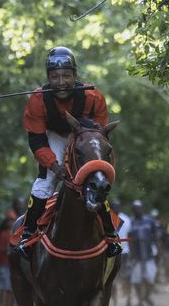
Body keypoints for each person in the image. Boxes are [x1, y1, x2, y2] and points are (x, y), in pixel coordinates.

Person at [15, 46, 120, 258]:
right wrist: (54, 165)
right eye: (55, 77)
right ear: (48, 77)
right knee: (45, 183)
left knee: (95, 179)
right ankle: (27, 234)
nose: (61, 82)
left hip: (84, 136)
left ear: (75, 75)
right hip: (53, 137)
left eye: (66, 76)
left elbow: (99, 133)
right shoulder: (37, 100)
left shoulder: (93, 96)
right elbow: (36, 140)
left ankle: (110, 235)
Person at [128, 200, 158, 306]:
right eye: (135, 209)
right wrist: (132, 255)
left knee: (150, 279)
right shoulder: (130, 222)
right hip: (136, 256)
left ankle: (146, 296)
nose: (137, 210)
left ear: (142, 209)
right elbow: (129, 239)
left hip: (149, 254)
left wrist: (158, 251)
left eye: (139, 208)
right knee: (136, 280)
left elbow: (156, 237)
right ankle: (140, 300)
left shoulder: (149, 221)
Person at [109, 199, 132, 306]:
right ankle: (115, 303)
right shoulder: (107, 218)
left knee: (126, 278)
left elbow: (131, 235)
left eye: (118, 206)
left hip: (125, 253)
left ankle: (128, 301)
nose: (116, 209)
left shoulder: (127, 219)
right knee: (112, 280)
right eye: (114, 207)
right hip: (112, 254)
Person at [0, 217, 14, 306]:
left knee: (11, 288)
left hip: (12, 264)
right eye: (10, 220)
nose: (12, 222)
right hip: (4, 263)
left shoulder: (16, 232)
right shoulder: (3, 234)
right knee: (5, 287)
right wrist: (9, 249)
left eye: (13, 220)